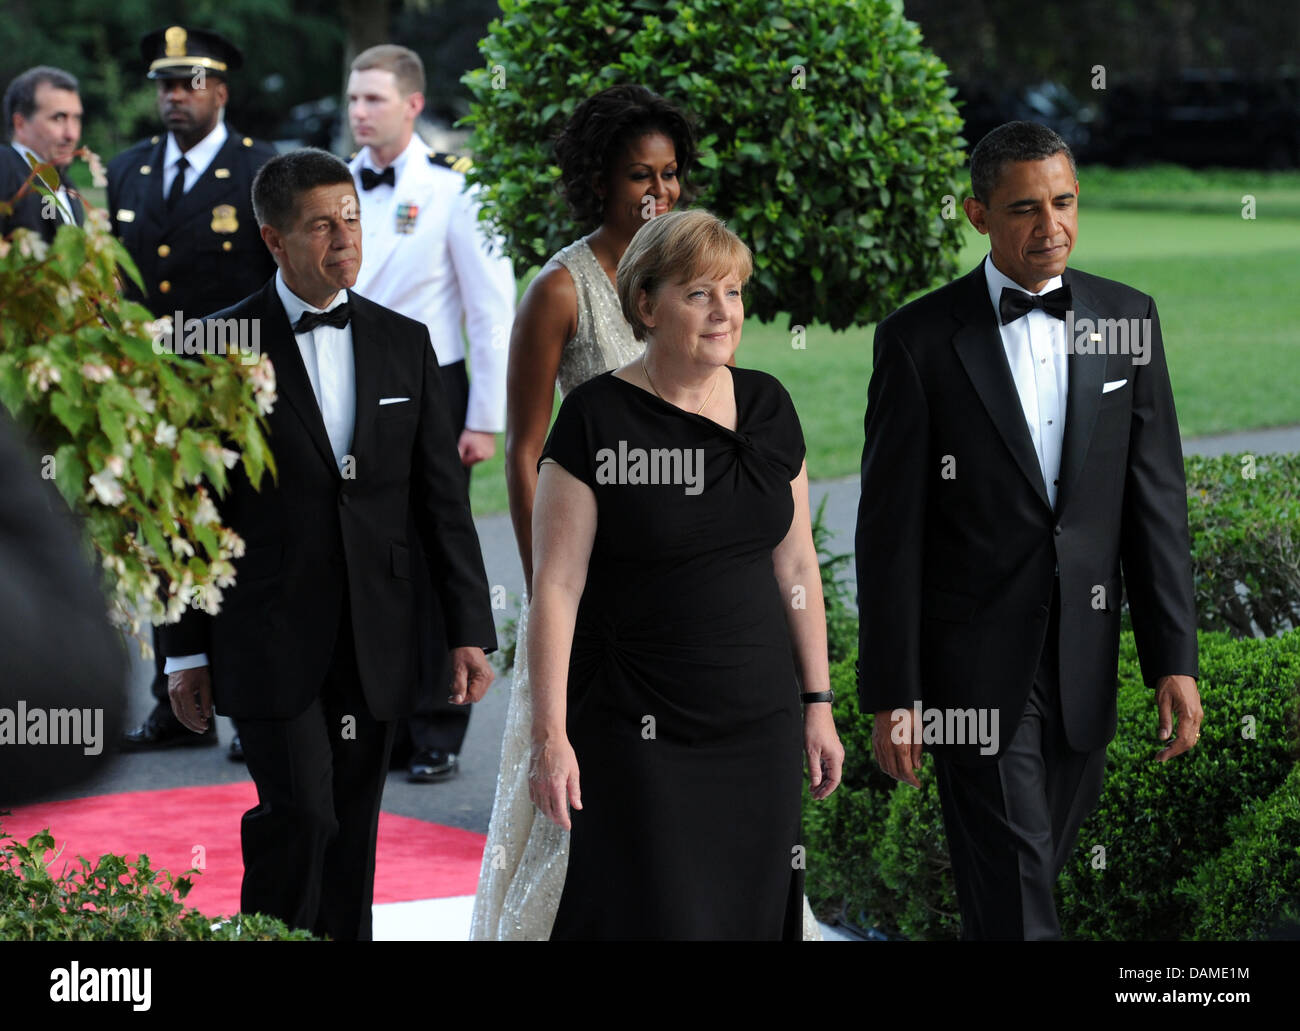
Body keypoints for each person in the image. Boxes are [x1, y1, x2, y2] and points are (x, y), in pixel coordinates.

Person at [856, 121, 1202, 940]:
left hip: (1084, 661)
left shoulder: (1128, 317)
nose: (1051, 227)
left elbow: (1156, 503)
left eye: (1065, 202)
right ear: (977, 214)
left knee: (1016, 883)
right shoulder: (916, 341)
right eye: (1024, 209)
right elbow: (890, 533)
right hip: (971, 675)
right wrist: (892, 693)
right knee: (1016, 883)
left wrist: (1172, 659)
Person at [157, 149, 497, 941]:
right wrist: (181, 653)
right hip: (267, 631)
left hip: (377, 629)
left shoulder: (404, 342)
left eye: (351, 218)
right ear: (274, 240)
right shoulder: (213, 347)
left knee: (352, 826)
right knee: (301, 813)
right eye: (321, 225)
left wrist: (468, 628)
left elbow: (441, 506)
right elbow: (182, 516)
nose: (344, 238)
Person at [526, 208, 844, 939]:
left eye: (732, 292)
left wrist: (817, 702)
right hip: (636, 724)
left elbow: (796, 563)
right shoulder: (596, 416)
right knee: (654, 914)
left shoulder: (768, 404)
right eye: (699, 292)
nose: (722, 311)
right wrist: (551, 734)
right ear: (647, 303)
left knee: (749, 915)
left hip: (757, 720)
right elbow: (557, 587)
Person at [469, 83, 694, 938]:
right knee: (586, 779)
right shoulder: (560, 289)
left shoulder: (692, 274)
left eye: (670, 174)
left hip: (686, 569)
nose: (658, 192)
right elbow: (526, 449)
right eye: (641, 174)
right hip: (590, 567)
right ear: (599, 179)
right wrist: (545, 585)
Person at [345, 44, 515, 784]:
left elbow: (491, 309)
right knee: (359, 551)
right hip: (344, 378)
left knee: (436, 550)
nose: (358, 112)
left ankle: (441, 724)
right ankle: (374, 714)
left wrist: (484, 417)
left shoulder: (453, 189)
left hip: (430, 386)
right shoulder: (332, 184)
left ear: (413, 104)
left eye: (374, 99)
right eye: (353, 99)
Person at [109, 25, 277, 757]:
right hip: (153, 396)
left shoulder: (260, 171)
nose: (174, 97)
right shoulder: (129, 171)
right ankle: (177, 706)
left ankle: (250, 704)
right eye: (164, 85)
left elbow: (272, 293)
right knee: (167, 542)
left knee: (243, 546)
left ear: (221, 90)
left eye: (190, 83)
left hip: (232, 393)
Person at [0, 65, 85, 239]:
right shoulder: (4, 168)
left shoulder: (67, 187)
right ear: (20, 124)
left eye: (76, 119)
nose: (72, 134)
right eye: (58, 118)